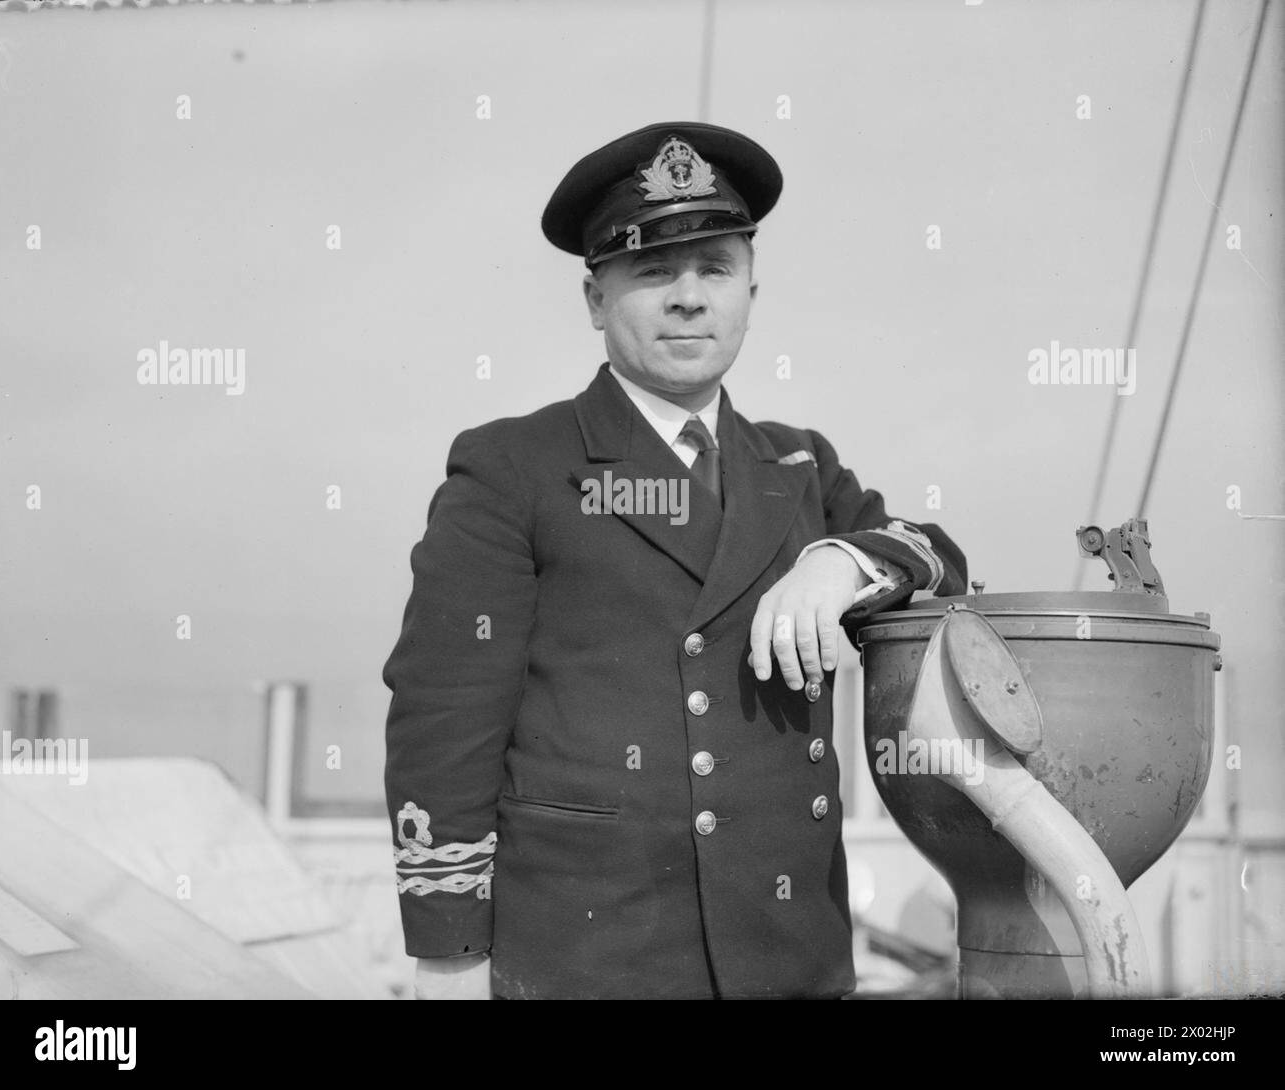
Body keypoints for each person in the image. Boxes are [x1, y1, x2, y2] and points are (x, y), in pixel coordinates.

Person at [382, 121, 967, 1000]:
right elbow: (446, 715)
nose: (689, 298)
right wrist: (450, 952)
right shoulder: (516, 466)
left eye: (715, 270)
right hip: (592, 957)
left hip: (789, 954)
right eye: (654, 272)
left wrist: (841, 561)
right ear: (593, 298)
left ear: (750, 292)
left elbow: (940, 564)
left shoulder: (798, 465)